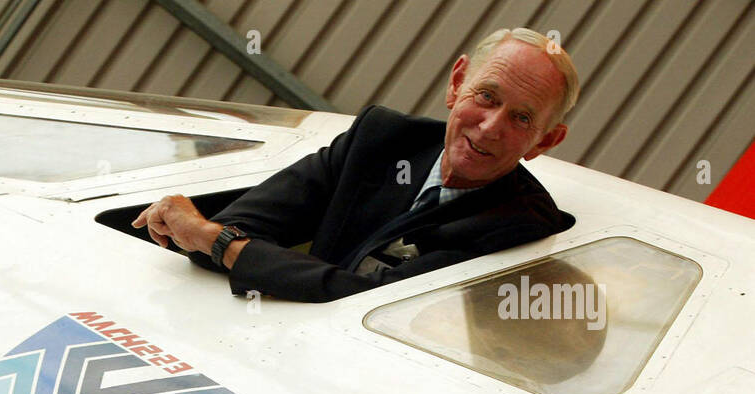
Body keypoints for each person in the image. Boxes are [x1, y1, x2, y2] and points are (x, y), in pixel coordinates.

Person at [131, 27, 579, 303]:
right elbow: (242, 225)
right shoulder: (381, 138)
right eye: (486, 96)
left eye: (522, 118)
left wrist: (219, 243)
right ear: (457, 82)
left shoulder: (523, 222)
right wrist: (221, 241)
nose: (489, 128)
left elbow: (366, 299)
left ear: (545, 141)